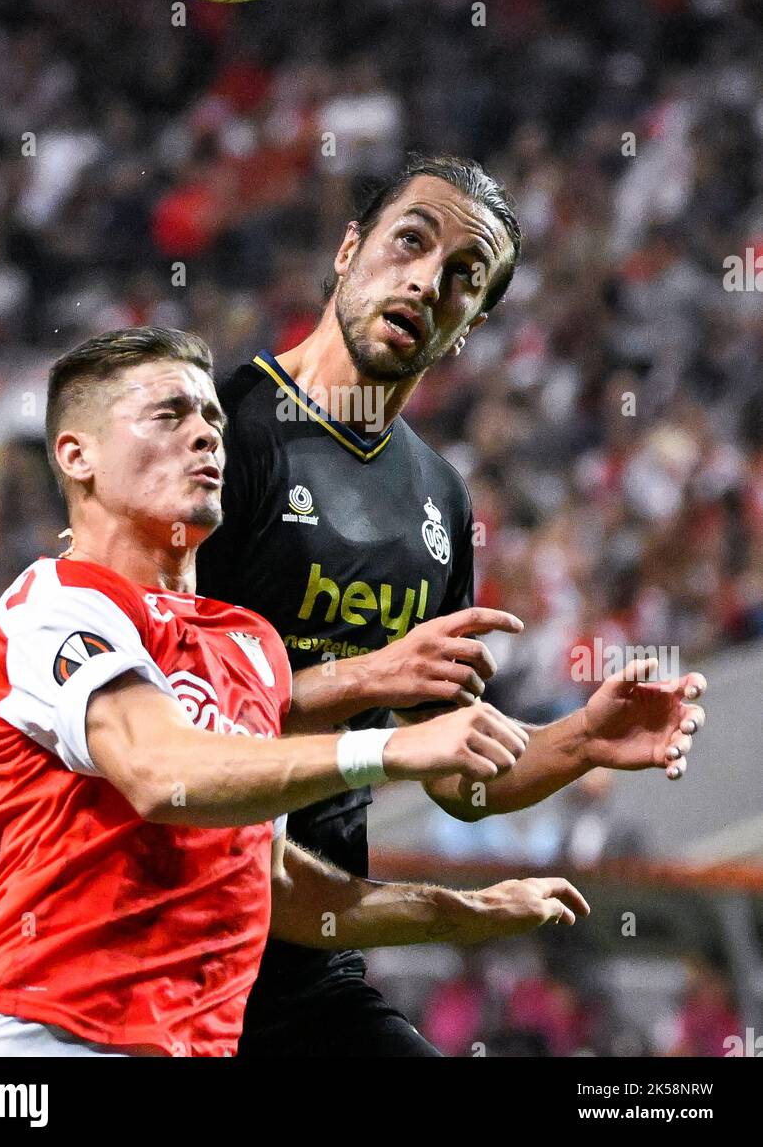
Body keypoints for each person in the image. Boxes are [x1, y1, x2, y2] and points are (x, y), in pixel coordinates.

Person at [0, 326, 590, 1058]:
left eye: (211, 420)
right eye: (169, 415)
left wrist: (465, 909)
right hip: (26, 1041)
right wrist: (389, 746)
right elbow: (162, 774)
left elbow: (278, 882)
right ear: (78, 455)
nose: (205, 437)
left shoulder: (250, 644)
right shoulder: (56, 601)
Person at [197, 152, 708, 1057]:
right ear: (350, 251)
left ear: (470, 326)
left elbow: (453, 775)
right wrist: (366, 677)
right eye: (410, 241)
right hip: (171, 946)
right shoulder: (218, 434)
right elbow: (159, 725)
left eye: (466, 277)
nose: (429, 280)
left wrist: (580, 740)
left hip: (311, 960)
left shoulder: (438, 497)